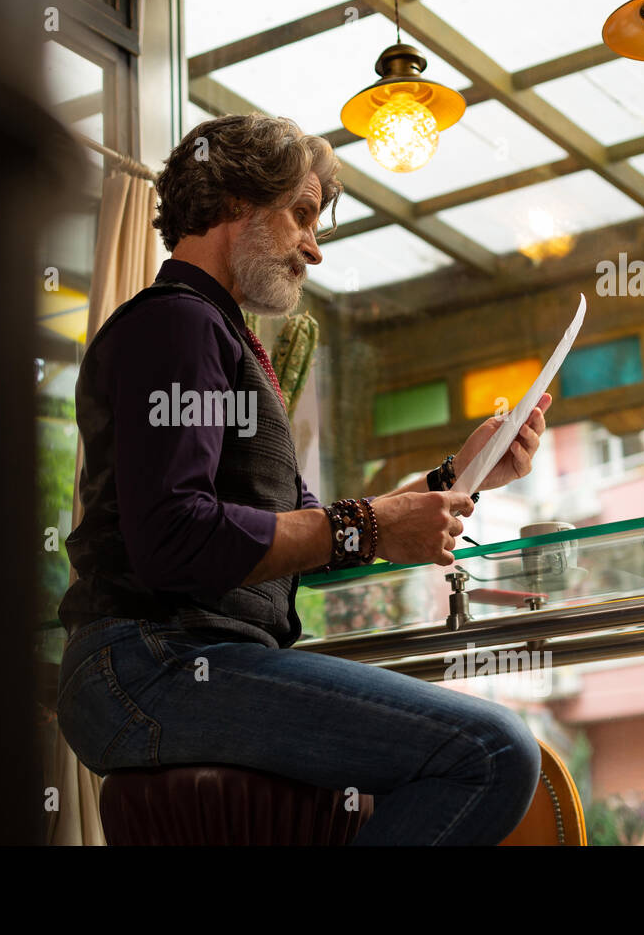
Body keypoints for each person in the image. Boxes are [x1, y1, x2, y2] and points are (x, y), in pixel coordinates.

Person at [56, 112, 554, 844]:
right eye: (302, 215)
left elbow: (309, 528)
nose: (315, 250)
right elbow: (173, 537)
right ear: (235, 201)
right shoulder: (180, 325)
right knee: (491, 752)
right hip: (154, 665)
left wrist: (463, 473)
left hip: (178, 661)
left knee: (487, 750)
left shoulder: (219, 336)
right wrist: (375, 527)